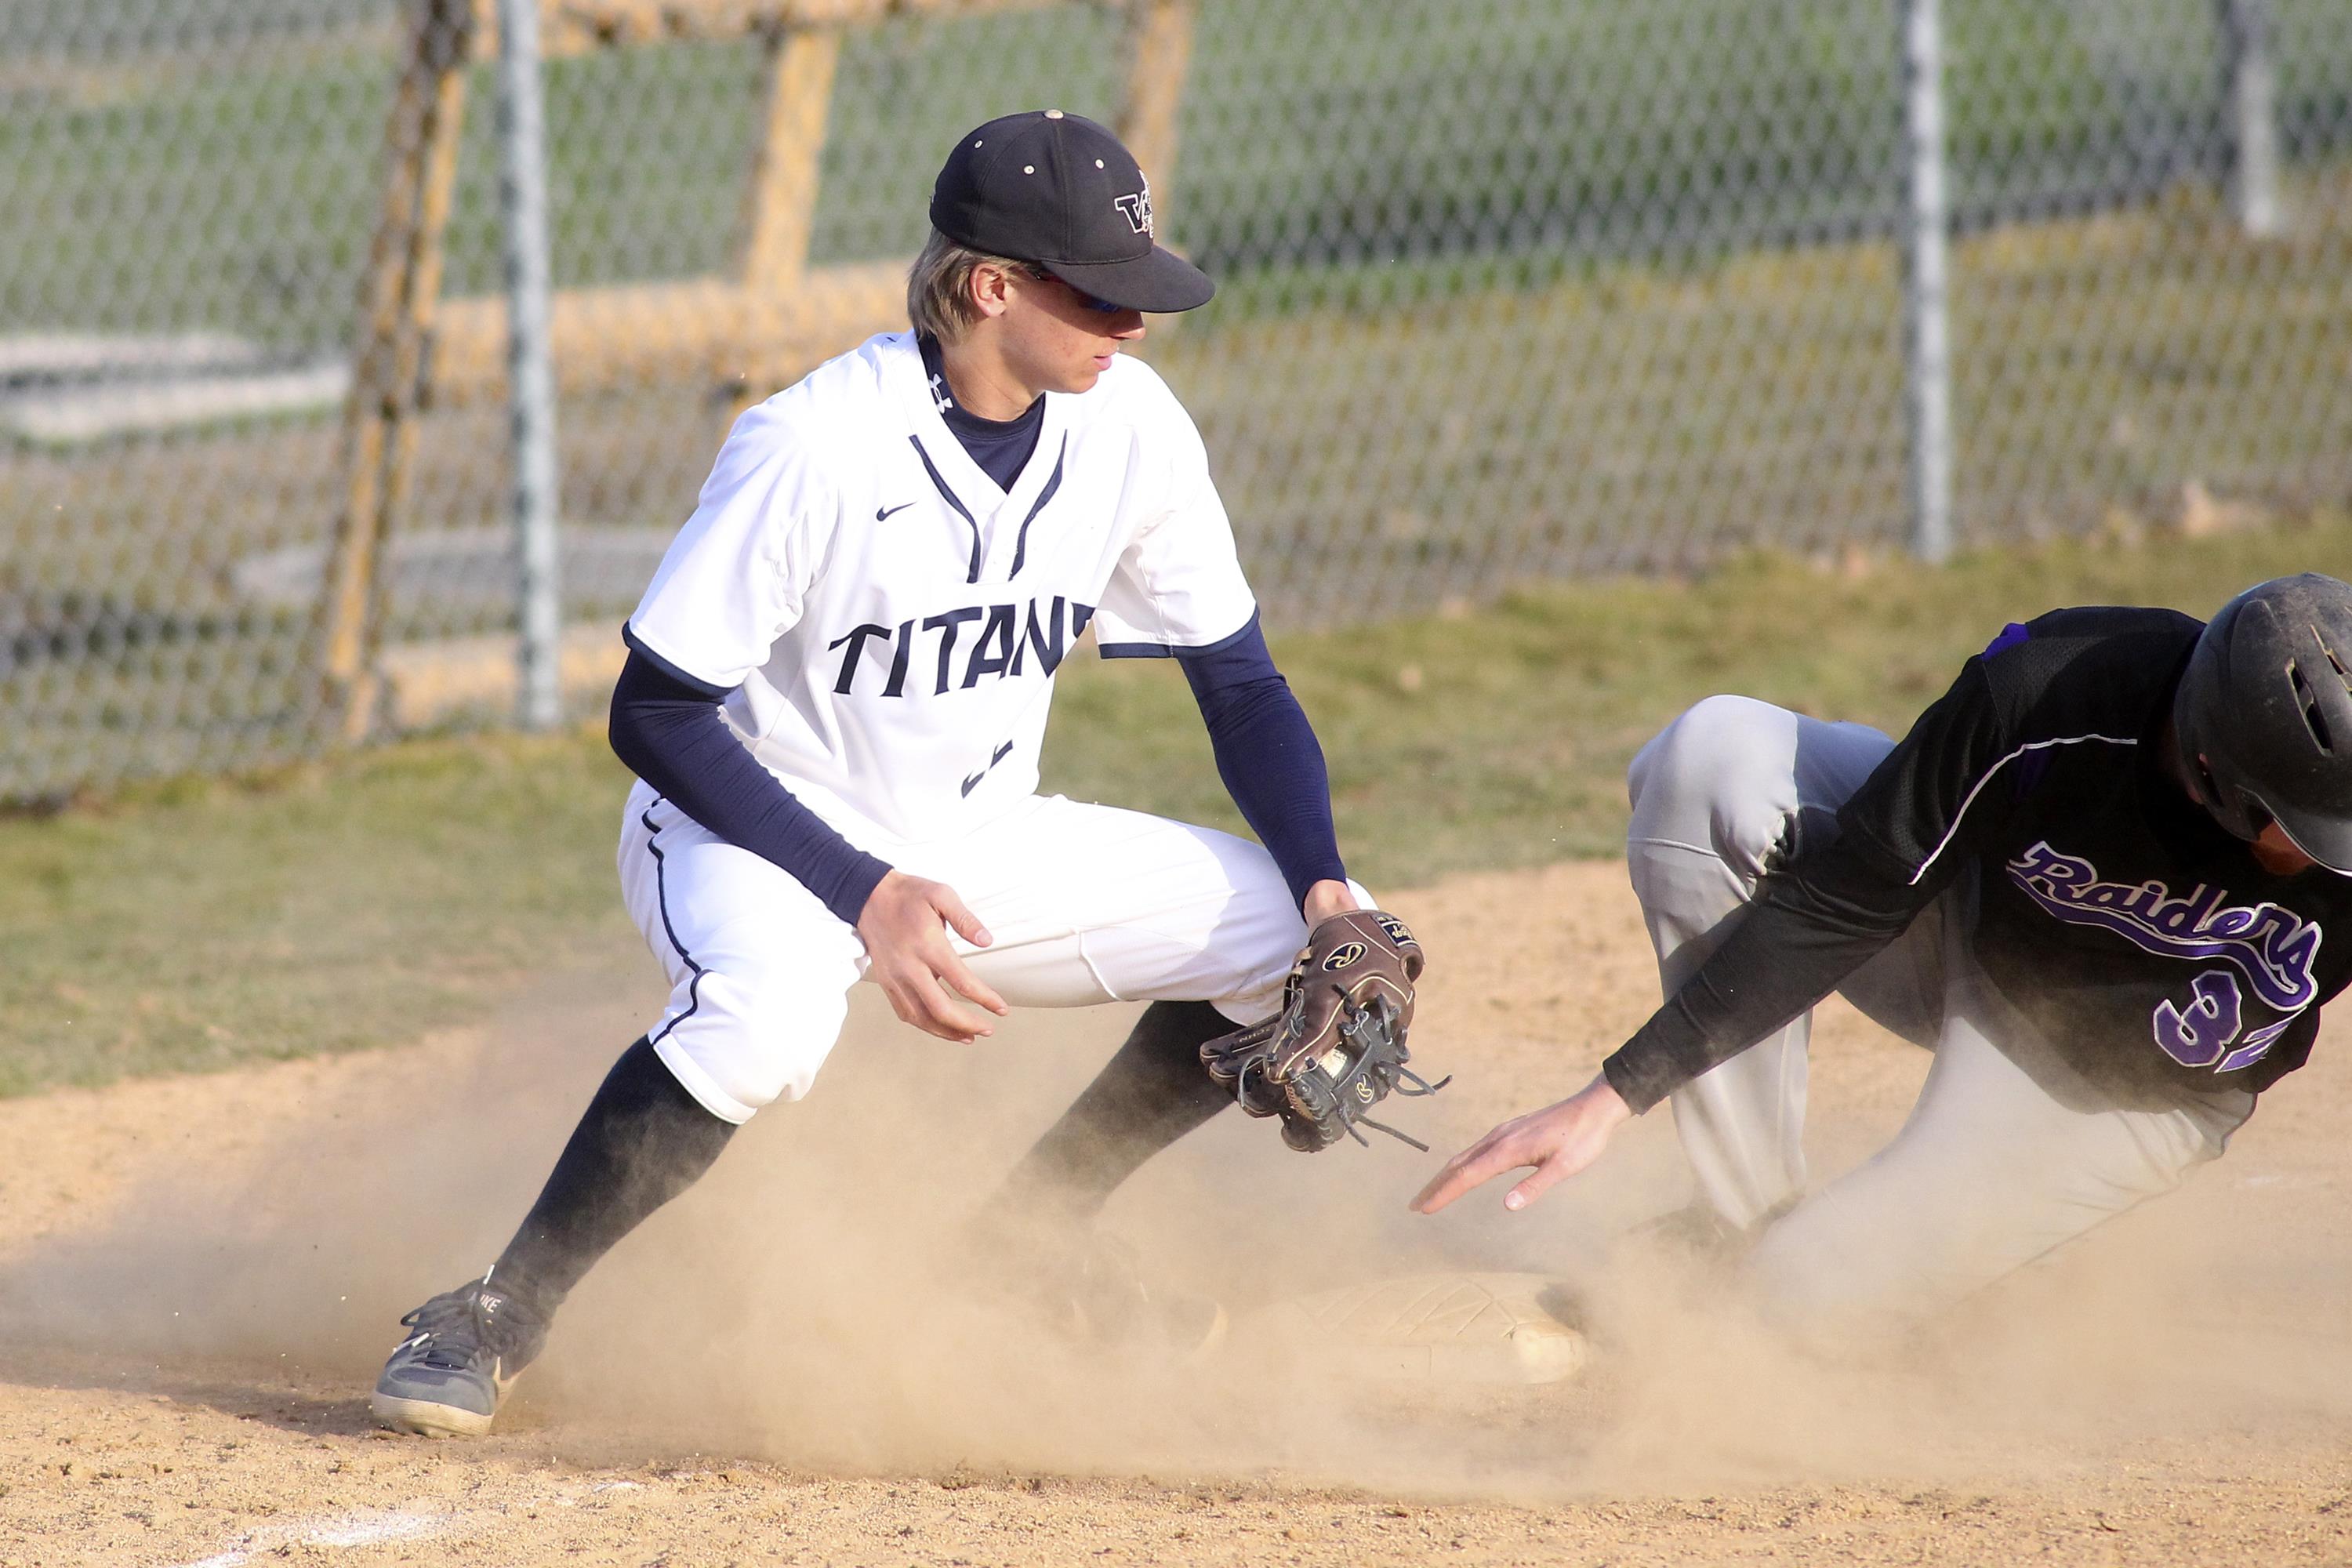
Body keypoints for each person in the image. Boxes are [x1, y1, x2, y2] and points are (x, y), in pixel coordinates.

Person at [370, 110, 1390, 1437]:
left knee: (1281, 941)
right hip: (752, 829)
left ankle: (1027, 1235)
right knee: (769, 1018)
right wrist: (863, 891)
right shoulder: (814, 447)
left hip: (971, 840)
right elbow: (657, 713)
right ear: (990, 287)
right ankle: (499, 1313)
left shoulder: (1132, 429)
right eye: (1100, 296)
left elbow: (1242, 683)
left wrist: (1324, 889)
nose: (1133, 325)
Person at [1414, 575, 2352, 1330]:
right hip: (1966, 928)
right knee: (1713, 762)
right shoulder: (2056, 690)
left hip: (2117, 1087)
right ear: (2214, 774)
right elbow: (1852, 894)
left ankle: (1868, 1265)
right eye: (2315, 826)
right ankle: (1739, 1213)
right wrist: (1614, 1092)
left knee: (1795, 1299)